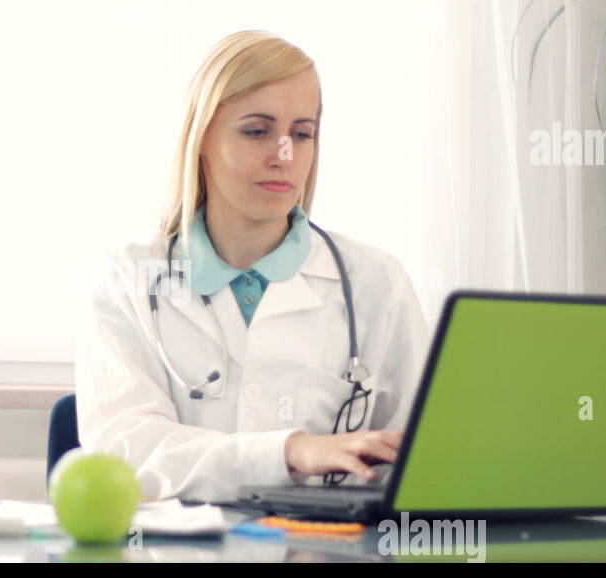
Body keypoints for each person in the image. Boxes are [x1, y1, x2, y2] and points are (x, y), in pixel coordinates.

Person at [75, 30, 430, 504]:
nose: (284, 156)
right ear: (200, 138)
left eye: (301, 134)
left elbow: (419, 458)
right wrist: (289, 452)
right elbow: (122, 450)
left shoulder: (376, 283)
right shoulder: (128, 280)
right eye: (257, 131)